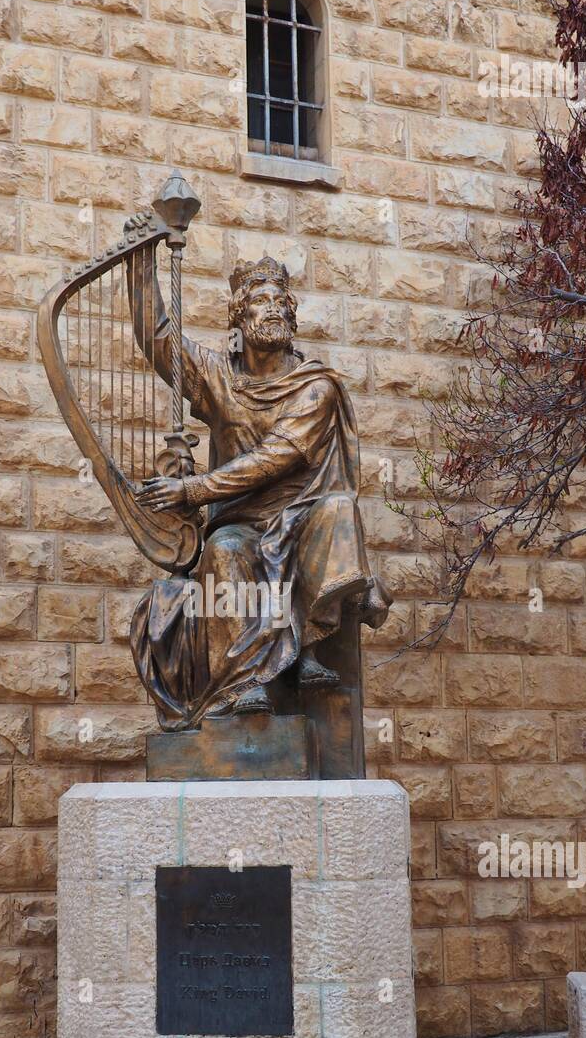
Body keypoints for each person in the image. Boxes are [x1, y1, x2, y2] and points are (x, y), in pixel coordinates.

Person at [126, 249, 390, 730]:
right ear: (239, 316)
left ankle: (308, 646)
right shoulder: (217, 375)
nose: (272, 309)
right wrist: (142, 264)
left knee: (338, 509)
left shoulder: (316, 387)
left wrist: (193, 489)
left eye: (279, 302)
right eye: (260, 301)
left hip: (302, 517)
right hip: (242, 525)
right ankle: (247, 680)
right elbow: (158, 338)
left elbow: (277, 456)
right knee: (224, 550)